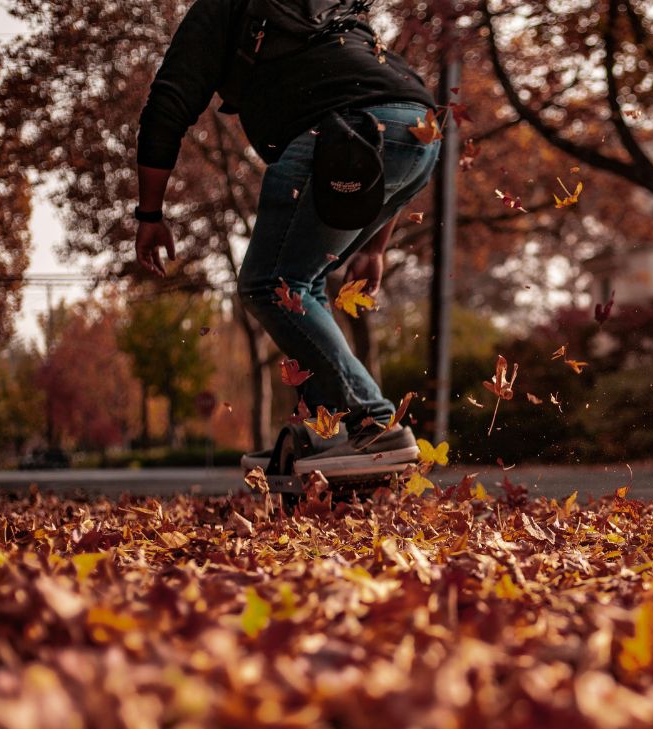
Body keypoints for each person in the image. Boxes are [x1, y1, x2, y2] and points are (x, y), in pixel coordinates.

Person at [132, 0, 438, 473]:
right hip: (419, 131)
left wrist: (149, 213)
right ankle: (327, 437)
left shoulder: (220, 9)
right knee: (302, 284)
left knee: (271, 283)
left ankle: (375, 423)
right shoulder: (321, 7)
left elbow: (167, 105)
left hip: (341, 132)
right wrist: (375, 247)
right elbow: (393, 116)